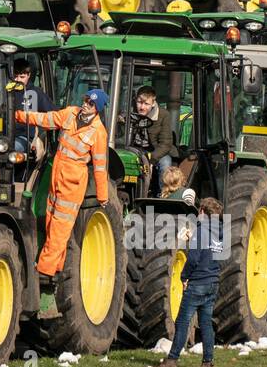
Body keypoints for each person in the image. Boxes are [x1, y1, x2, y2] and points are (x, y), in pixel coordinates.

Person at [14, 88, 109, 290]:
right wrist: (18, 116)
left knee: (59, 228)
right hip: (57, 174)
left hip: (73, 182)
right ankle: (56, 268)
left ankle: (44, 272)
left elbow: (100, 167)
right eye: (85, 100)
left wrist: (102, 195)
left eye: (90, 104)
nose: (85, 104)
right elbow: (46, 119)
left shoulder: (98, 133)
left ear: (97, 109)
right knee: (50, 222)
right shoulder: (70, 113)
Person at [158, 197, 225, 367]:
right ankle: (207, 363)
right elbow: (216, 255)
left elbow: (194, 258)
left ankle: (171, 361)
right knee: (206, 324)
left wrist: (184, 276)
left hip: (197, 283)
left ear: (202, 212)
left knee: (182, 322)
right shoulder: (221, 233)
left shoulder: (201, 231)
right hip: (213, 283)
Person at [130, 86, 178, 196]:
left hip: (156, 151)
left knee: (166, 163)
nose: (142, 107)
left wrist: (151, 160)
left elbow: (166, 143)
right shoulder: (129, 112)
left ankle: (162, 196)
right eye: (139, 102)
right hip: (135, 150)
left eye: (146, 104)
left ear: (153, 103)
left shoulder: (163, 115)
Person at [11, 59, 54, 157]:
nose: (17, 80)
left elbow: (54, 116)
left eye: (22, 77)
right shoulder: (5, 92)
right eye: (15, 76)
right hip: (2, 136)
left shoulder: (36, 93)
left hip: (24, 137)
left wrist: (39, 135)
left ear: (29, 75)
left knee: (8, 150)